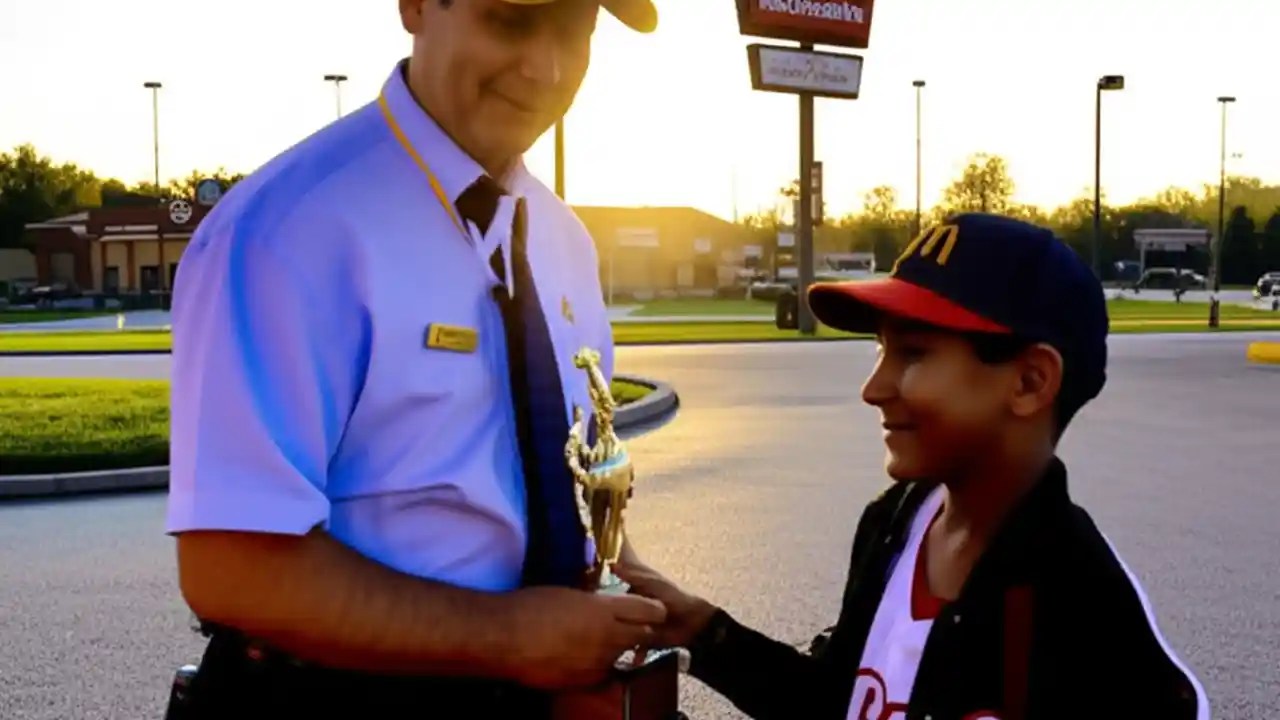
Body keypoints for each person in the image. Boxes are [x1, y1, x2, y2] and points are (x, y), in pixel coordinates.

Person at [165, 0, 665, 717]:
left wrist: (626, 580)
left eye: (575, 30)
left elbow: (552, 479)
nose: (546, 68)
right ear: (415, 7)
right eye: (512, 20)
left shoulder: (563, 242)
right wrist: (510, 639)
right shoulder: (285, 230)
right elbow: (232, 567)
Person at [616, 213, 1210, 720]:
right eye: (881, 350)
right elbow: (838, 700)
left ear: (1030, 382)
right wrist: (698, 627)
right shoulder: (896, 522)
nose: (873, 388)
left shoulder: (1083, 604)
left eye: (914, 353)